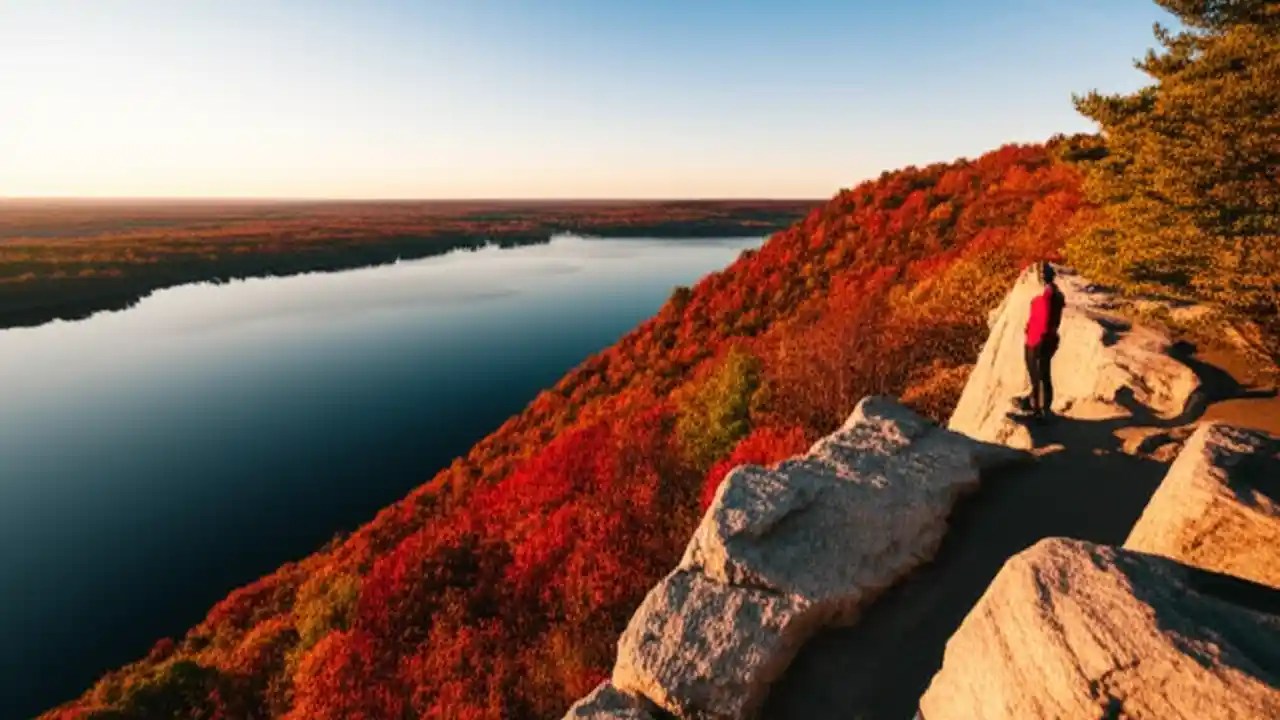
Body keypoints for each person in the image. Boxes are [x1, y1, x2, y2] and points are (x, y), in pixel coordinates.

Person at [1025, 262, 1065, 420]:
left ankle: (1040, 409)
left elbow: (1045, 318)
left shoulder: (1047, 296)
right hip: (1042, 337)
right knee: (1041, 373)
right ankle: (1038, 404)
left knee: (1039, 374)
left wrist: (1036, 334)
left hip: (1038, 339)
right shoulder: (1054, 295)